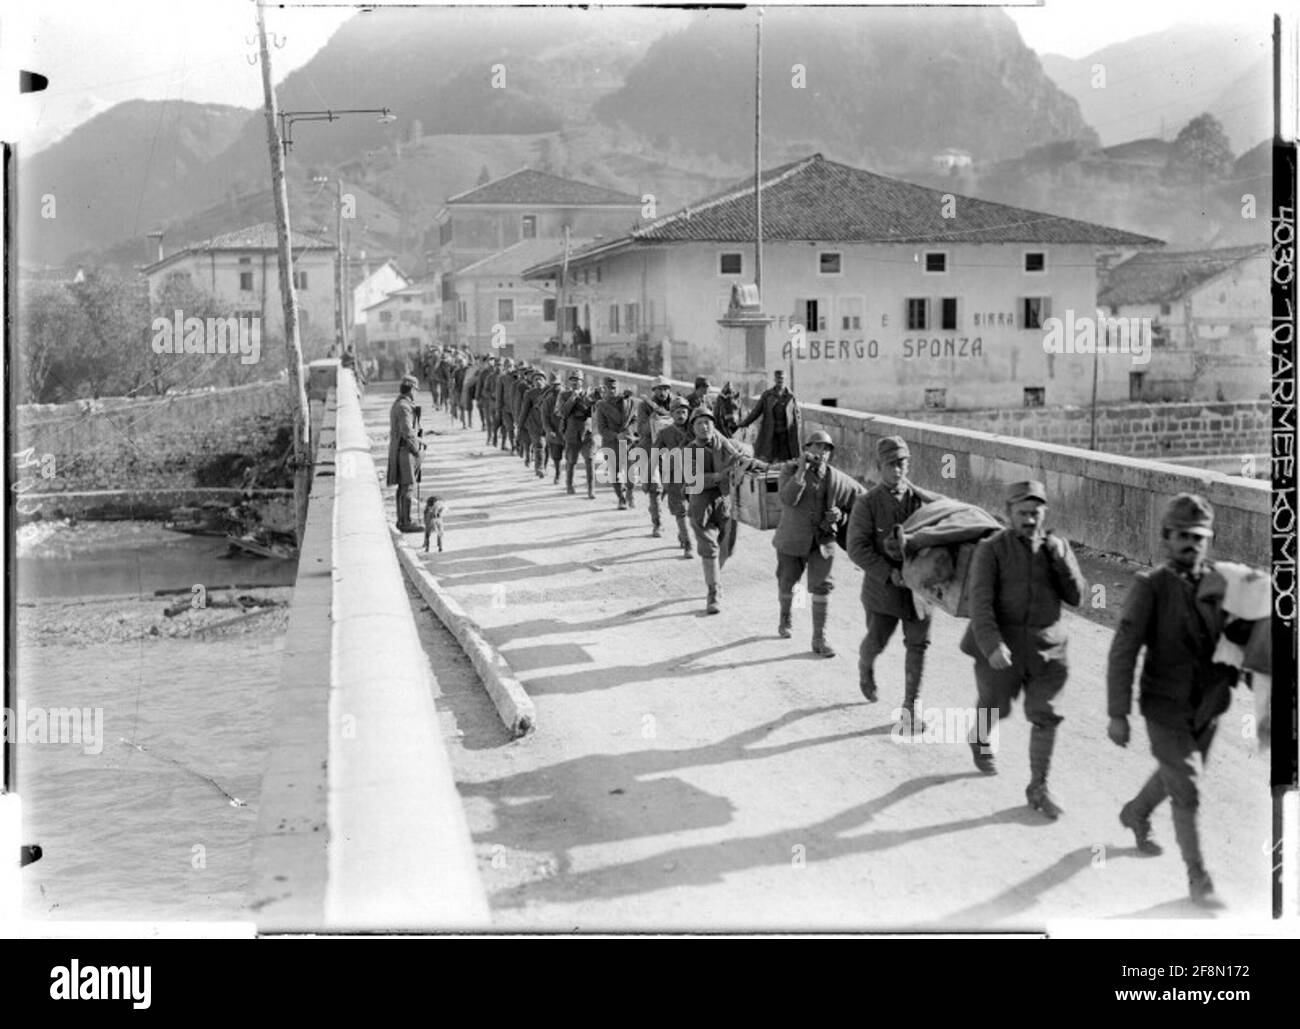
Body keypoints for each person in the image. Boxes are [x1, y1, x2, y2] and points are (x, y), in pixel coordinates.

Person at [1106, 493, 1242, 906]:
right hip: (1165, 707)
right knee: (1187, 789)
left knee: (1176, 772)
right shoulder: (1151, 588)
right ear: (1166, 538)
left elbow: (1241, 641)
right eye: (1183, 535)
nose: (1192, 543)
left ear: (1209, 539)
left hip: (1210, 707)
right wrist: (1118, 714)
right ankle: (1198, 879)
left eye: (1199, 536)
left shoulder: (1224, 581)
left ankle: (1136, 812)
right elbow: (1124, 649)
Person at [961, 479, 1086, 820]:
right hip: (1002, 645)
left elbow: (1077, 597)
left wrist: (1064, 561)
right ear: (1008, 513)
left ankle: (1038, 787)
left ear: (1045, 513)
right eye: (1022, 513)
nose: (1030, 520)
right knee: (995, 706)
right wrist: (992, 645)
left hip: (1048, 648)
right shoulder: (992, 550)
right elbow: (980, 605)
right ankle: (980, 738)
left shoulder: (1055, 547)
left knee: (1045, 715)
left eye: (1036, 513)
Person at [847, 436, 945, 731]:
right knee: (876, 641)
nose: (898, 470)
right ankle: (865, 667)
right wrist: (889, 573)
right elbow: (857, 548)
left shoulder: (922, 500)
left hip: (919, 592)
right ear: (879, 467)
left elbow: (945, 523)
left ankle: (910, 708)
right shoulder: (868, 503)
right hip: (883, 591)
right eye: (891, 464)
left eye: (902, 463)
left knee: (918, 646)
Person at [772, 430, 863, 657]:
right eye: (817, 447)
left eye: (826, 449)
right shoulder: (789, 470)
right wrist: (801, 471)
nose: (821, 453)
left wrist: (840, 516)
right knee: (788, 583)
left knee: (822, 587)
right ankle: (786, 617)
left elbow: (863, 500)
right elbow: (787, 499)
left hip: (822, 541)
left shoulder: (836, 478)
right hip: (792, 538)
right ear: (806, 449)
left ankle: (819, 639)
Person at [683, 408, 768, 614]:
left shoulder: (724, 445)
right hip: (701, 503)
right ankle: (713, 592)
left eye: (708, 422)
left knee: (727, 548)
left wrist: (769, 467)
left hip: (727, 502)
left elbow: (742, 459)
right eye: (699, 423)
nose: (705, 427)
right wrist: (720, 476)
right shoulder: (688, 451)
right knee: (709, 547)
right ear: (693, 428)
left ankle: (714, 576)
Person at [633, 376, 678, 536]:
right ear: (654, 391)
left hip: (670, 449)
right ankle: (657, 523)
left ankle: (655, 506)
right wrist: (652, 421)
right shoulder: (644, 405)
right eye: (659, 389)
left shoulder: (676, 403)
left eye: (665, 388)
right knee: (654, 487)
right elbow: (640, 430)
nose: (663, 392)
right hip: (650, 448)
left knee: (668, 484)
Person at [652, 397, 695, 558]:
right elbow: (655, 455)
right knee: (680, 511)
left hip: (694, 475)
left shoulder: (696, 430)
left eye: (684, 412)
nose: (681, 415)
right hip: (674, 475)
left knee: (696, 510)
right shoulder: (664, 433)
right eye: (677, 412)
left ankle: (683, 534)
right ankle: (688, 543)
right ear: (672, 414)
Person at [386, 374, 426, 532]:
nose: (416, 393)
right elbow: (407, 432)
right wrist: (417, 450)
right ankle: (406, 522)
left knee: (404, 487)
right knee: (408, 486)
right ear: (411, 390)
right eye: (416, 390)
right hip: (405, 451)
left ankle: (402, 520)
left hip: (401, 449)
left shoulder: (401, 403)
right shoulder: (404, 406)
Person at [736, 368, 801, 463]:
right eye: (778, 378)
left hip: (786, 436)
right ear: (774, 380)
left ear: (785, 379)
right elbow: (756, 411)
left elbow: (797, 416)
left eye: (782, 378)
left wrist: (796, 432)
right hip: (771, 434)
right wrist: (744, 423)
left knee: (786, 462)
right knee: (769, 459)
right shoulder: (767, 395)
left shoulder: (791, 397)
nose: (780, 381)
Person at [594, 376, 637, 509]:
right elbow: (602, 429)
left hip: (628, 441)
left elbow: (635, 420)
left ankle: (630, 492)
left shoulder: (628, 401)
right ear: (604, 389)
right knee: (614, 473)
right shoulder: (601, 406)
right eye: (608, 388)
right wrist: (616, 435)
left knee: (631, 472)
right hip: (611, 443)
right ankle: (621, 498)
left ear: (618, 387)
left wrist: (629, 431)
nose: (611, 391)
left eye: (614, 388)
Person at [556, 372, 597, 499]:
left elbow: (593, 412)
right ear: (569, 382)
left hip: (587, 433)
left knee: (590, 460)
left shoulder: (588, 394)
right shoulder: (564, 395)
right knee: (571, 461)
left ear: (582, 381)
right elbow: (562, 412)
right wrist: (572, 398)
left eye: (577, 380)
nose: (574, 382)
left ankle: (591, 489)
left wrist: (592, 399)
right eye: (572, 380)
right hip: (571, 432)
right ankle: (569, 484)